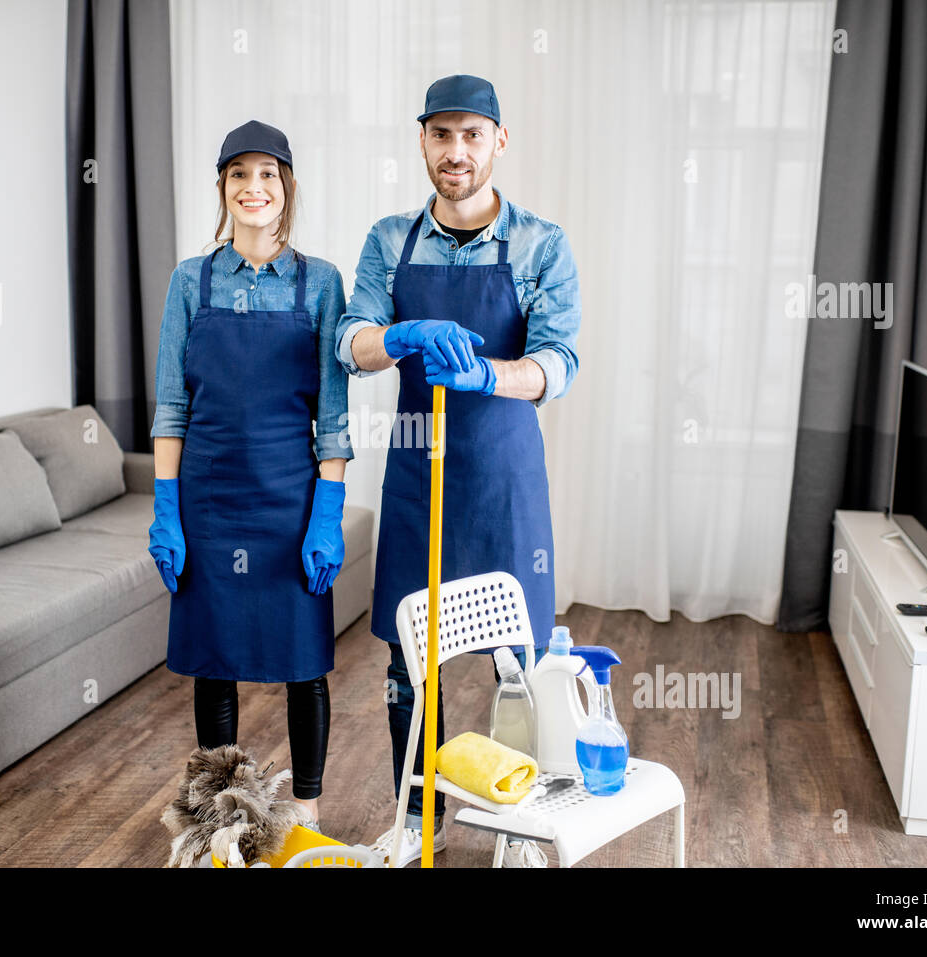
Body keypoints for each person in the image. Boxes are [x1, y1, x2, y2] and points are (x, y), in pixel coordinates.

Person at [336, 76, 581, 867]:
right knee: (412, 661)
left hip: (503, 474)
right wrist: (402, 333)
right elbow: (352, 342)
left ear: (499, 142)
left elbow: (559, 363)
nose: (456, 152)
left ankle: (518, 822)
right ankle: (419, 817)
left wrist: (487, 376)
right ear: (422, 142)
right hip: (416, 471)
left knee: (519, 659)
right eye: (441, 134)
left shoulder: (542, 243)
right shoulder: (388, 240)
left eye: (473, 134)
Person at [148, 121, 351, 829]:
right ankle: (221, 809)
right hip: (207, 499)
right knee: (216, 659)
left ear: (286, 187)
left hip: (288, 500)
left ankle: (306, 809)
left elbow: (332, 415)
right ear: (223, 189)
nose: (254, 188)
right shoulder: (191, 281)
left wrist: (328, 510)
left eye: (268, 174)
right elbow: (172, 405)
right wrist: (165, 508)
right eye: (240, 175)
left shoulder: (319, 283)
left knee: (305, 663)